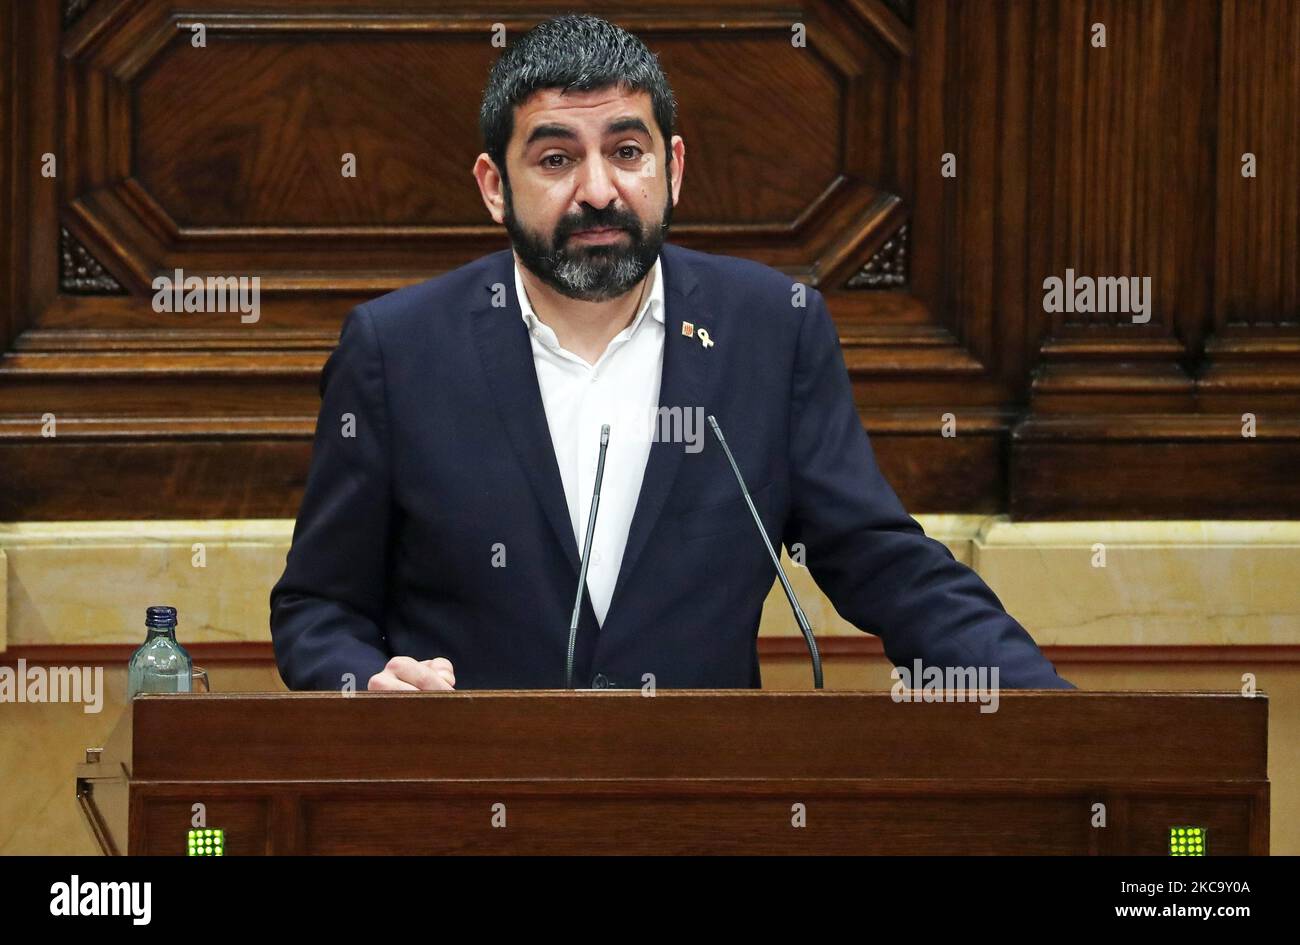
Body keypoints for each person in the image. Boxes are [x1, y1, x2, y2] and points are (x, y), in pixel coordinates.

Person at [270, 13, 1073, 692]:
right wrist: (366, 685)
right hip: (469, 804)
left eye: (627, 151)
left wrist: (1064, 716)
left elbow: (882, 562)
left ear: (672, 166)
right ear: (493, 186)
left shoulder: (770, 330)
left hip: (699, 805)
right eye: (555, 159)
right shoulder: (398, 349)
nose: (597, 190)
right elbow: (318, 605)